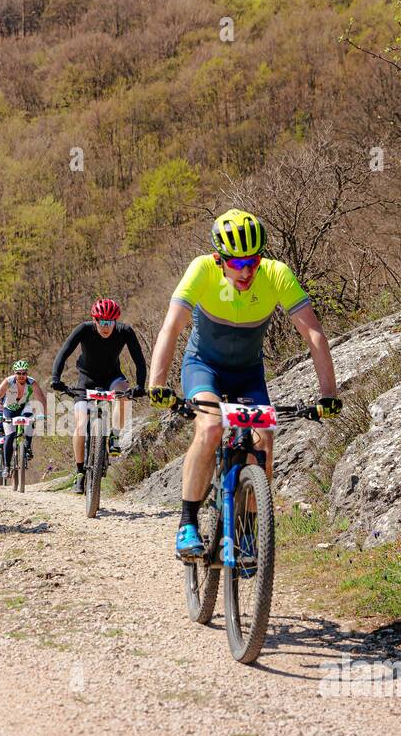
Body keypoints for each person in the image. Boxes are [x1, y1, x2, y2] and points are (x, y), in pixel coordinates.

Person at [145, 209, 341, 558]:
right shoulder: (202, 269)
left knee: (263, 440)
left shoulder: (276, 274)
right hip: (203, 366)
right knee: (209, 427)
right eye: (237, 264)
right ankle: (187, 523)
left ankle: (249, 532)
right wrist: (156, 383)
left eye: (253, 261)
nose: (247, 271)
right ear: (219, 260)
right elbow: (171, 327)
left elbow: (312, 333)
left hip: (248, 373)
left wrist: (329, 394)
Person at [50, 298, 147, 495]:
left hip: (112, 376)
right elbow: (64, 352)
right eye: (102, 322)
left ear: (116, 321)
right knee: (80, 423)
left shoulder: (125, 331)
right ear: (95, 320)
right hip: (87, 379)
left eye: (110, 322)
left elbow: (139, 359)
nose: (106, 327)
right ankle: (79, 472)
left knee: (124, 393)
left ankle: (114, 436)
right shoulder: (84, 329)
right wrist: (55, 378)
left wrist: (140, 386)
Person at [0, 360, 48, 473]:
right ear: (15, 373)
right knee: (9, 436)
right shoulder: (8, 382)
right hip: (9, 409)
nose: (21, 376)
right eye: (19, 373)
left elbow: (42, 399)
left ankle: (27, 447)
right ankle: (7, 466)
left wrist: (43, 414)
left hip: (23, 407)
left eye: (24, 373)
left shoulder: (32, 383)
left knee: (31, 420)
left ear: (27, 373)